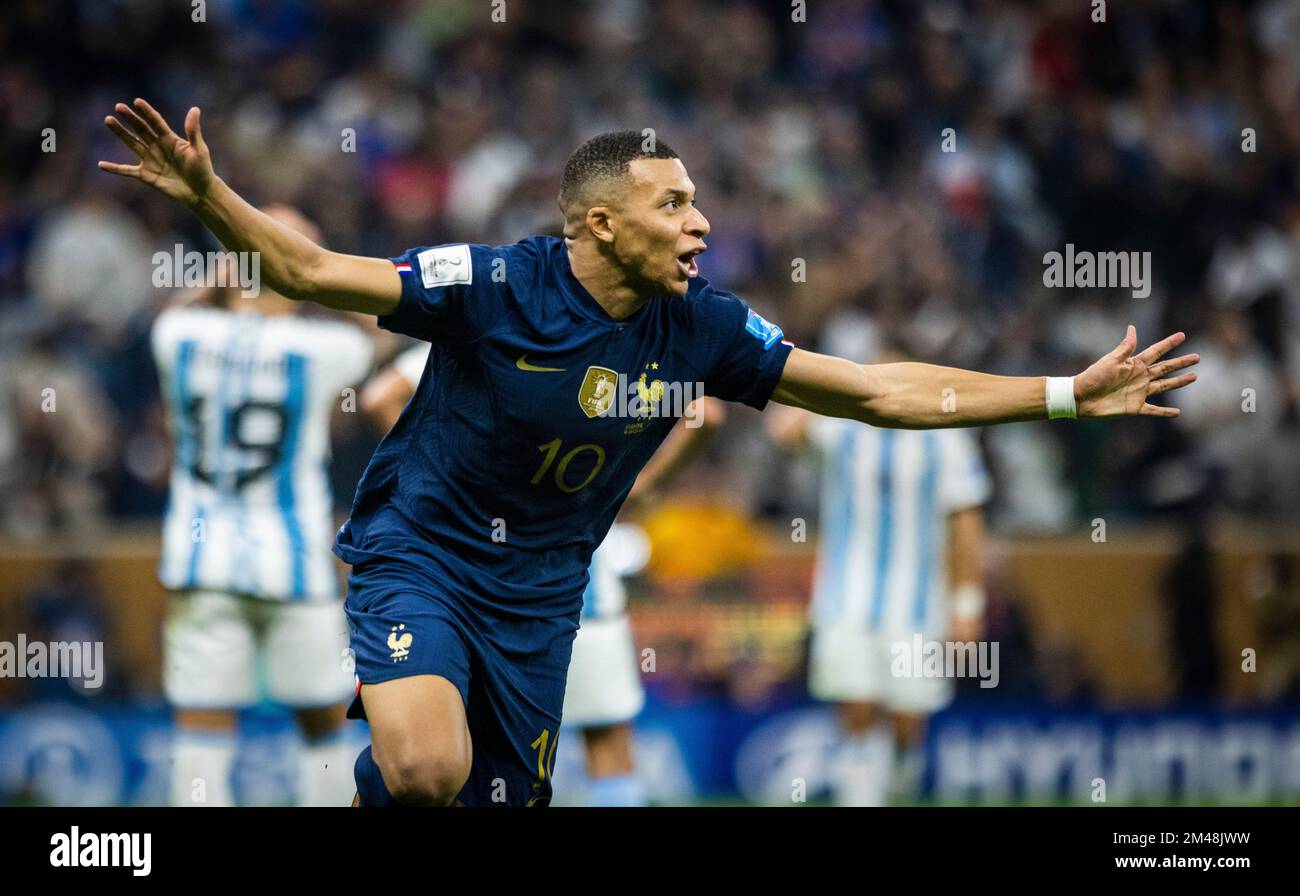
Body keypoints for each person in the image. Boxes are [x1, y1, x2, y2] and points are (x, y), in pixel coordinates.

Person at [102, 98, 1199, 806]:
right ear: (597, 226)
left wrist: (1062, 394)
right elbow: (306, 274)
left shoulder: (702, 326)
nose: (699, 222)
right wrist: (212, 198)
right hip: (423, 550)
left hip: (541, 593)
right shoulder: (490, 286)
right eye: (671, 203)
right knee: (426, 763)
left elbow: (874, 390)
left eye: (699, 202)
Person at [360, 343, 725, 805]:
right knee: (607, 744)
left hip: (472, 582)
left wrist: (434, 471)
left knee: (449, 754)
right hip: (580, 585)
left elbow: (380, 396)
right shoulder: (631, 347)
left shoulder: (487, 328)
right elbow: (705, 414)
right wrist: (642, 484)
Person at [150, 205, 373, 806]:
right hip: (294, 562)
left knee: (202, 726)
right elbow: (376, 329)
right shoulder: (322, 348)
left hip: (200, 561)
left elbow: (182, 311)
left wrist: (233, 258)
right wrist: (314, 272)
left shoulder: (180, 337)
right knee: (325, 721)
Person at [769, 344, 990, 806]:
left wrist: (967, 604)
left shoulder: (944, 434)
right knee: (855, 708)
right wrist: (825, 386)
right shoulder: (843, 423)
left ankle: (897, 787)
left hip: (918, 605)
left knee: (909, 722)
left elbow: (966, 521)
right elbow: (783, 430)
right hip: (846, 599)